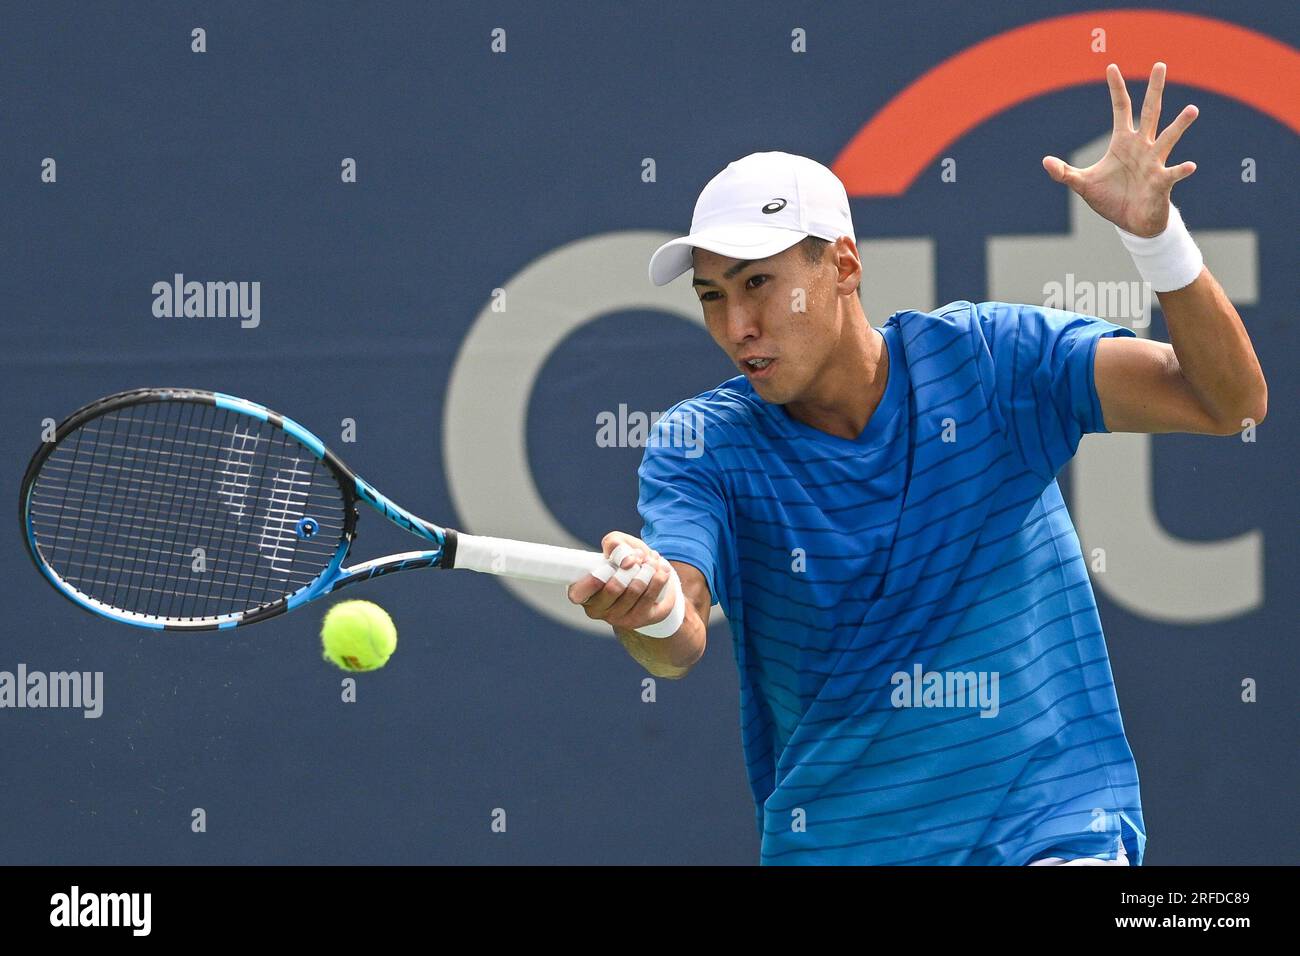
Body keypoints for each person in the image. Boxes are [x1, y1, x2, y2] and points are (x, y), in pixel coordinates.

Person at [567, 62, 1266, 865]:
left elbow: (1230, 404)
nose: (737, 324)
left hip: (1051, 831)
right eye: (712, 296)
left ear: (845, 267)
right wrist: (649, 606)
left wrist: (1158, 243)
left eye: (759, 283)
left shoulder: (993, 361)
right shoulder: (703, 444)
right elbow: (680, 634)